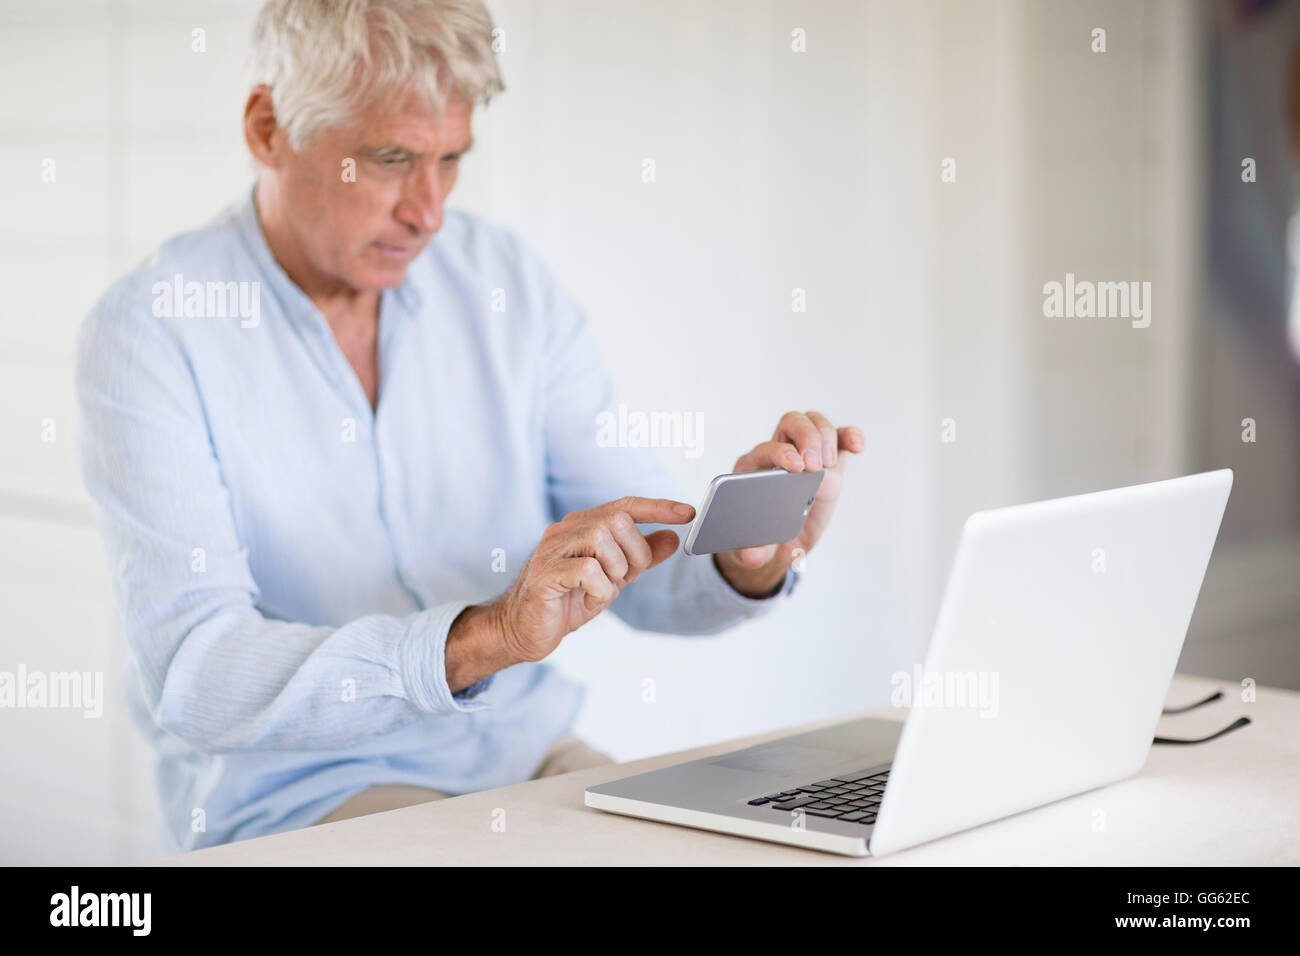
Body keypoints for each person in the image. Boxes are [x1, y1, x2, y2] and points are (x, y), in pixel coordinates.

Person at [76, 0, 864, 852]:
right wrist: (480, 638)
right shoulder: (153, 331)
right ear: (267, 128)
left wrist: (744, 557)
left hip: (529, 760)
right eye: (389, 160)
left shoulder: (505, 285)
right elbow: (195, 672)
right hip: (303, 798)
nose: (430, 211)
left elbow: (642, 552)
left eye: (450, 160)